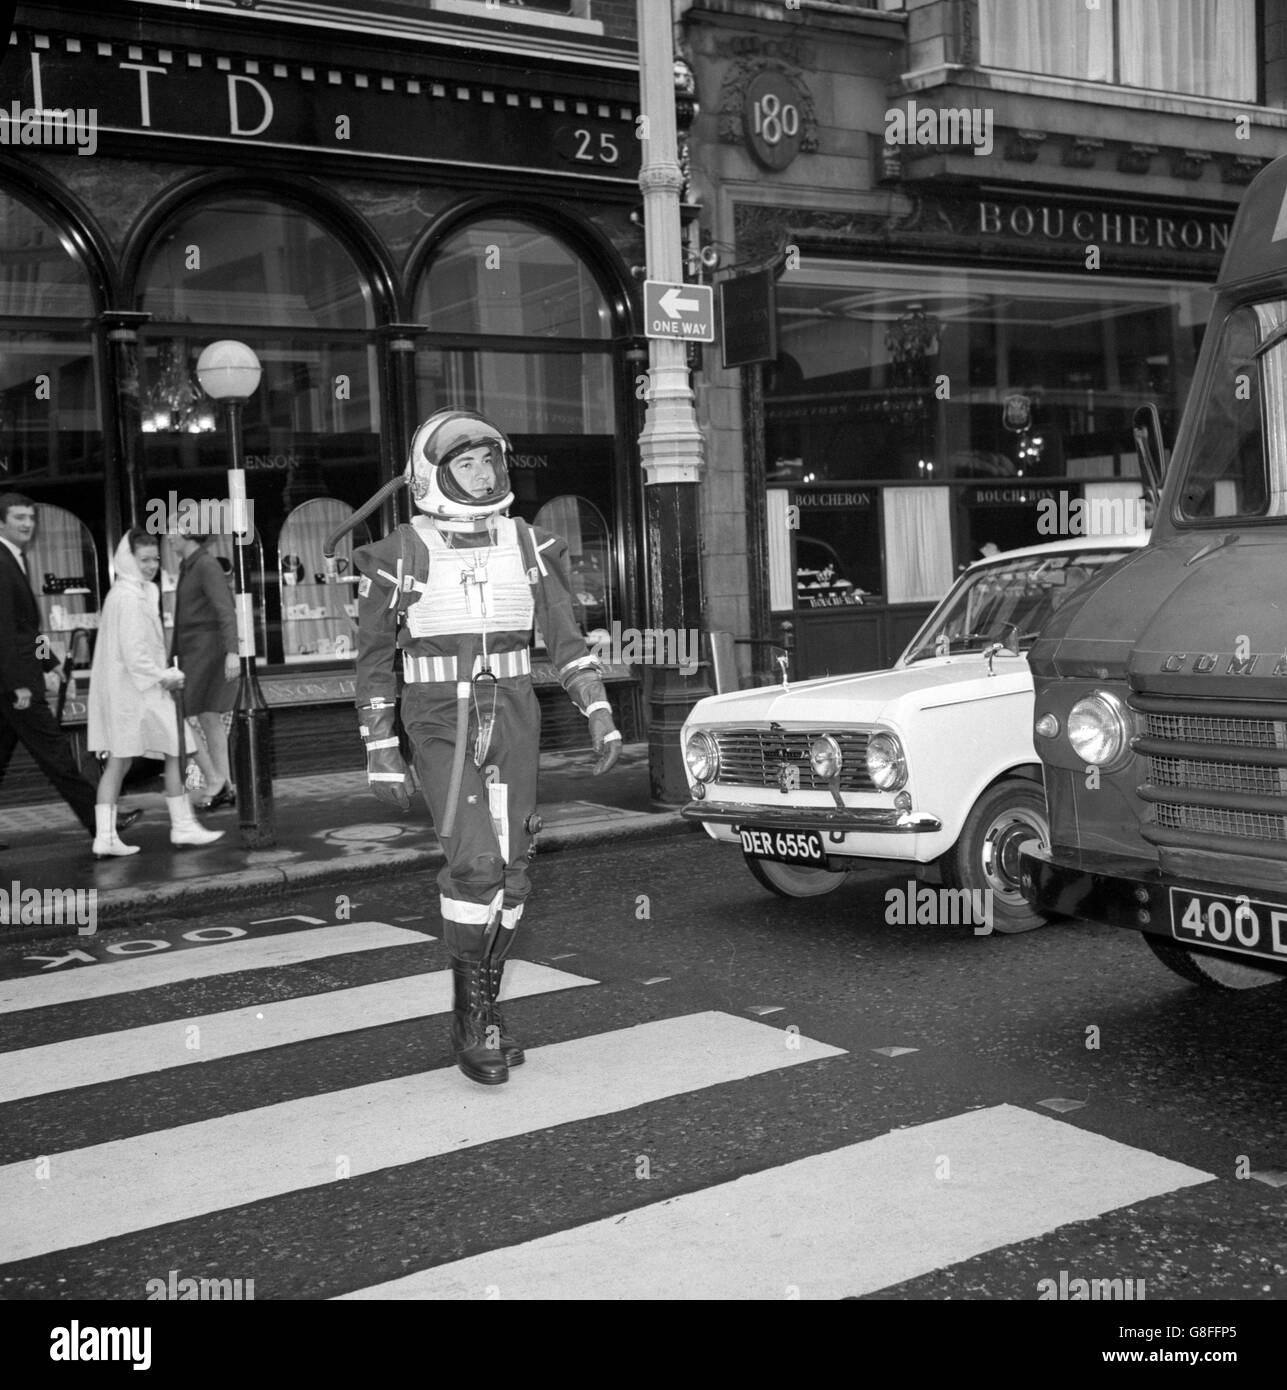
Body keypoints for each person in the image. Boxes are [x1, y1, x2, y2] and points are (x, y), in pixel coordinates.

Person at [349, 410, 621, 1087]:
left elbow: (561, 635)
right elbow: (374, 656)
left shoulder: (527, 544)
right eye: (464, 464)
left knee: (513, 871)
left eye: (488, 462)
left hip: (514, 714)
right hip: (438, 717)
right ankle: (473, 1025)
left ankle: (482, 1011)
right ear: (432, 473)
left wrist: (597, 709)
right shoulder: (401, 552)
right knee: (475, 867)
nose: (480, 473)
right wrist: (380, 744)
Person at [0, 493, 141, 846]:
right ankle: (101, 824)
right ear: (1, 522)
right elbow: (3, 629)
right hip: (17, 686)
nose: (27, 524)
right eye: (19, 518)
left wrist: (50, 661)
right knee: (57, 755)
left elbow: (25, 627)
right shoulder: (1, 561)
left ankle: (102, 821)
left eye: (30, 517)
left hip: (17, 678)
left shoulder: (14, 558)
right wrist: (19, 684)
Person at [87, 528, 223, 857]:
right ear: (128, 559)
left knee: (130, 760)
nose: (151, 565)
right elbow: (135, 654)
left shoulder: (130, 592)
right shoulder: (131, 597)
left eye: (155, 559)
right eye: (144, 559)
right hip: (139, 692)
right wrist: (166, 675)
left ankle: (110, 835)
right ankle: (181, 826)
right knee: (168, 751)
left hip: (132, 692)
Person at [169, 525, 239, 811]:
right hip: (196, 651)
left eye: (173, 530)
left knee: (181, 714)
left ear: (187, 534)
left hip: (207, 652)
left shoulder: (205, 565)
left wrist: (233, 651)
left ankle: (216, 780)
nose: (169, 536)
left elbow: (226, 609)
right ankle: (225, 784)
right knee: (209, 716)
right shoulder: (190, 565)